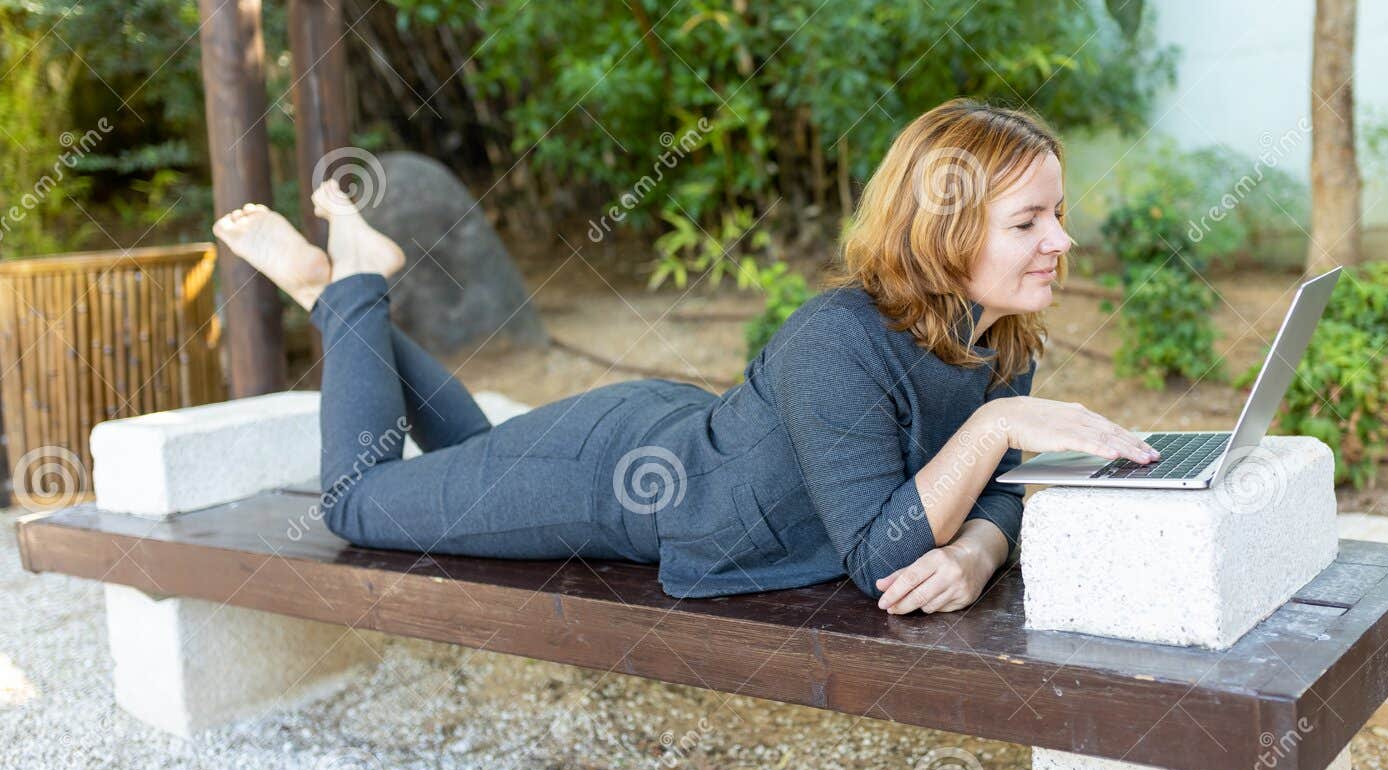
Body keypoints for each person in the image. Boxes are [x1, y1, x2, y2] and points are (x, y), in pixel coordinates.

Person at [212, 98, 1157, 615]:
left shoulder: (997, 338)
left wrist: (984, 552)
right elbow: (880, 559)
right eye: (1030, 220)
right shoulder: (840, 337)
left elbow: (989, 492)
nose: (1060, 242)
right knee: (359, 503)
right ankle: (349, 285)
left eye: (1058, 215)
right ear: (945, 228)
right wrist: (997, 426)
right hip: (616, 480)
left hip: (672, 441)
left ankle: (342, 287)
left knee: (465, 456)